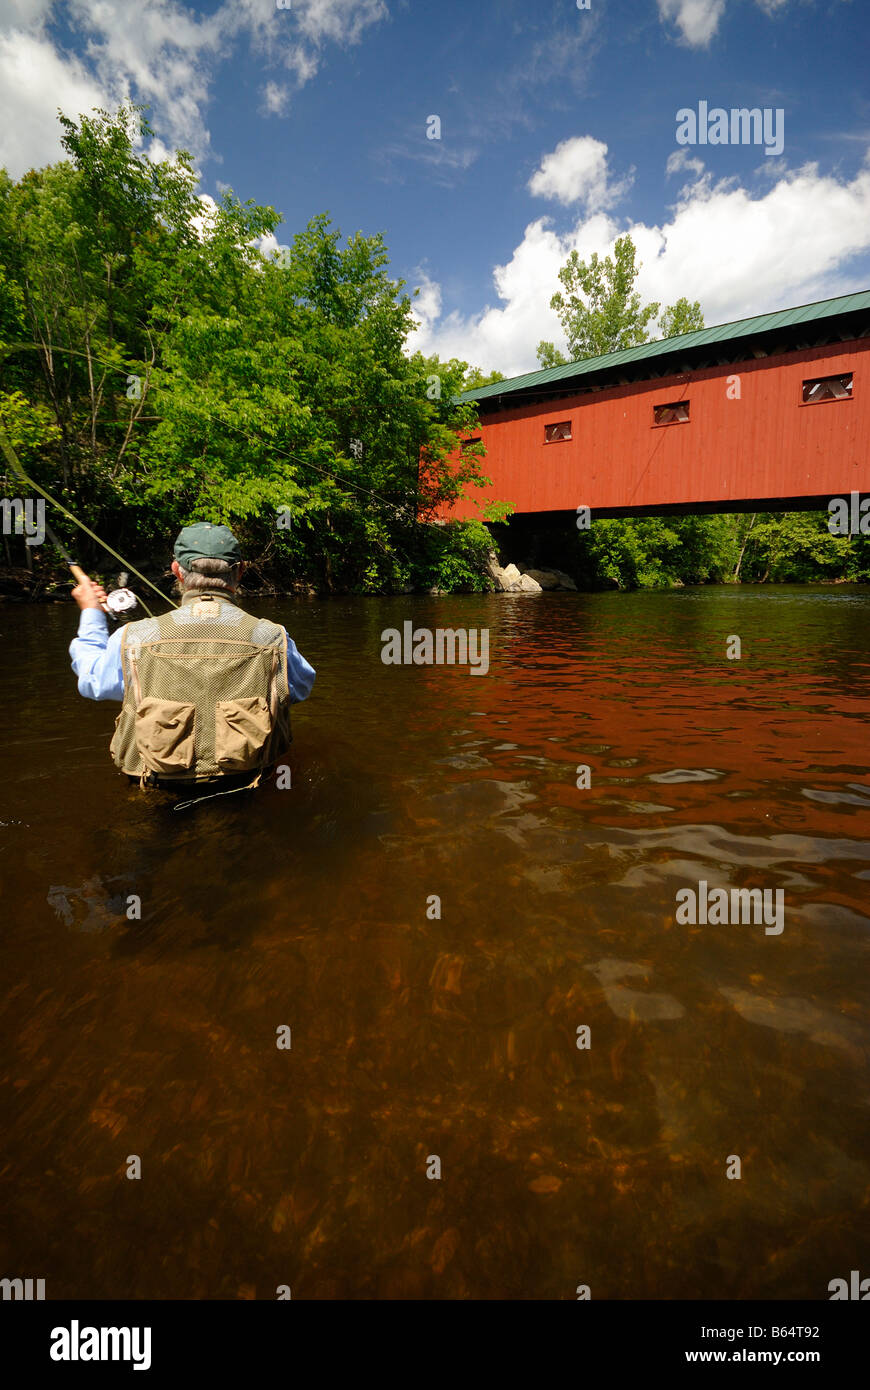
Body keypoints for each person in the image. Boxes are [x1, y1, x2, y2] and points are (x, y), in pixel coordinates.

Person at [69, 523, 315, 793]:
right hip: (249, 784)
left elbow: (93, 683)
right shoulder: (272, 637)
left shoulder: (133, 636)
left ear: (177, 571)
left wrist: (92, 613)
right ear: (240, 571)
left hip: (158, 788)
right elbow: (300, 689)